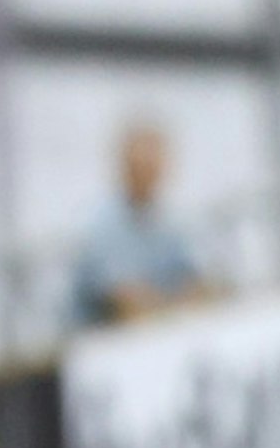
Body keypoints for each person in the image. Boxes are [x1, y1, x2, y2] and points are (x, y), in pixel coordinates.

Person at [67, 119, 214, 329]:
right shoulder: (102, 224)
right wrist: (174, 305)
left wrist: (192, 294)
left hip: (154, 333)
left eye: (154, 163)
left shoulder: (167, 222)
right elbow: (125, 302)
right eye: (141, 164)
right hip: (101, 344)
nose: (148, 171)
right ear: (125, 166)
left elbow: (196, 283)